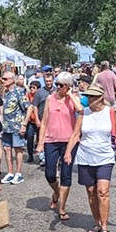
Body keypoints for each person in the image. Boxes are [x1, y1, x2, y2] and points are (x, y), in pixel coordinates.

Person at [64, 84, 116, 232]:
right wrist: (67, 153)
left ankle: (105, 227)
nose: (88, 99)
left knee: (103, 191)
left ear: (100, 98)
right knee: (91, 192)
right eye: (87, 96)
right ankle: (97, 222)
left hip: (105, 157)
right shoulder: (83, 114)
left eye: (91, 97)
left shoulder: (110, 113)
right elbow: (75, 135)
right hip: (86, 157)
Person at [36, 71, 83, 221]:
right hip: (51, 140)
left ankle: (62, 207)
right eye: (57, 84)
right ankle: (56, 192)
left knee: (66, 174)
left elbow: (81, 110)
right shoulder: (50, 98)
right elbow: (44, 122)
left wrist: (70, 95)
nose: (58, 87)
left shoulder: (72, 99)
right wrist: (40, 142)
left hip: (69, 141)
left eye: (61, 85)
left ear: (68, 86)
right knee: (49, 173)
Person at [0, 71, 34, 185]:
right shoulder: (5, 93)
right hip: (6, 126)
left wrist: (24, 124)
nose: (3, 81)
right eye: (2, 78)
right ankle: (10, 172)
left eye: (5, 79)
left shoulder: (19, 92)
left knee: (18, 149)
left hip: (16, 126)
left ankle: (18, 173)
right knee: (7, 149)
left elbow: (29, 108)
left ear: (12, 80)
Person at [26, 80, 42, 163]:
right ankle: (30, 155)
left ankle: (41, 157)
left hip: (39, 121)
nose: (31, 89)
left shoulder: (40, 96)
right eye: (30, 87)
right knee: (30, 137)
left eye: (34, 88)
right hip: (31, 121)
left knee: (40, 139)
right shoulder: (28, 96)